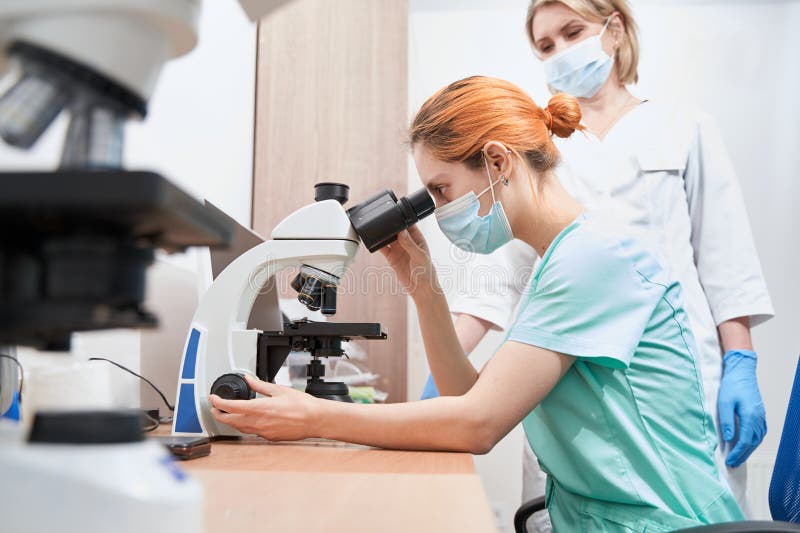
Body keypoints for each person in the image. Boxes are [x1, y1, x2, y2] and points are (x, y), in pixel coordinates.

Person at [209, 76, 745, 532]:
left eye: (440, 190)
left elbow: (478, 425)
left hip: (660, 522)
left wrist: (313, 417)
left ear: (496, 161)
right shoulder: (555, 261)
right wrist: (426, 290)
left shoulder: (592, 258)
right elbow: (470, 395)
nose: (437, 211)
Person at [421, 2, 774, 528]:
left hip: (670, 371)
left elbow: (724, 261)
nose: (560, 52)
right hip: (568, 369)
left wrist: (740, 364)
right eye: (545, 45)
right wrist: (448, 381)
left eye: (571, 33)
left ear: (614, 30)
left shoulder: (683, 126)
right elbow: (503, 273)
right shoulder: (535, 147)